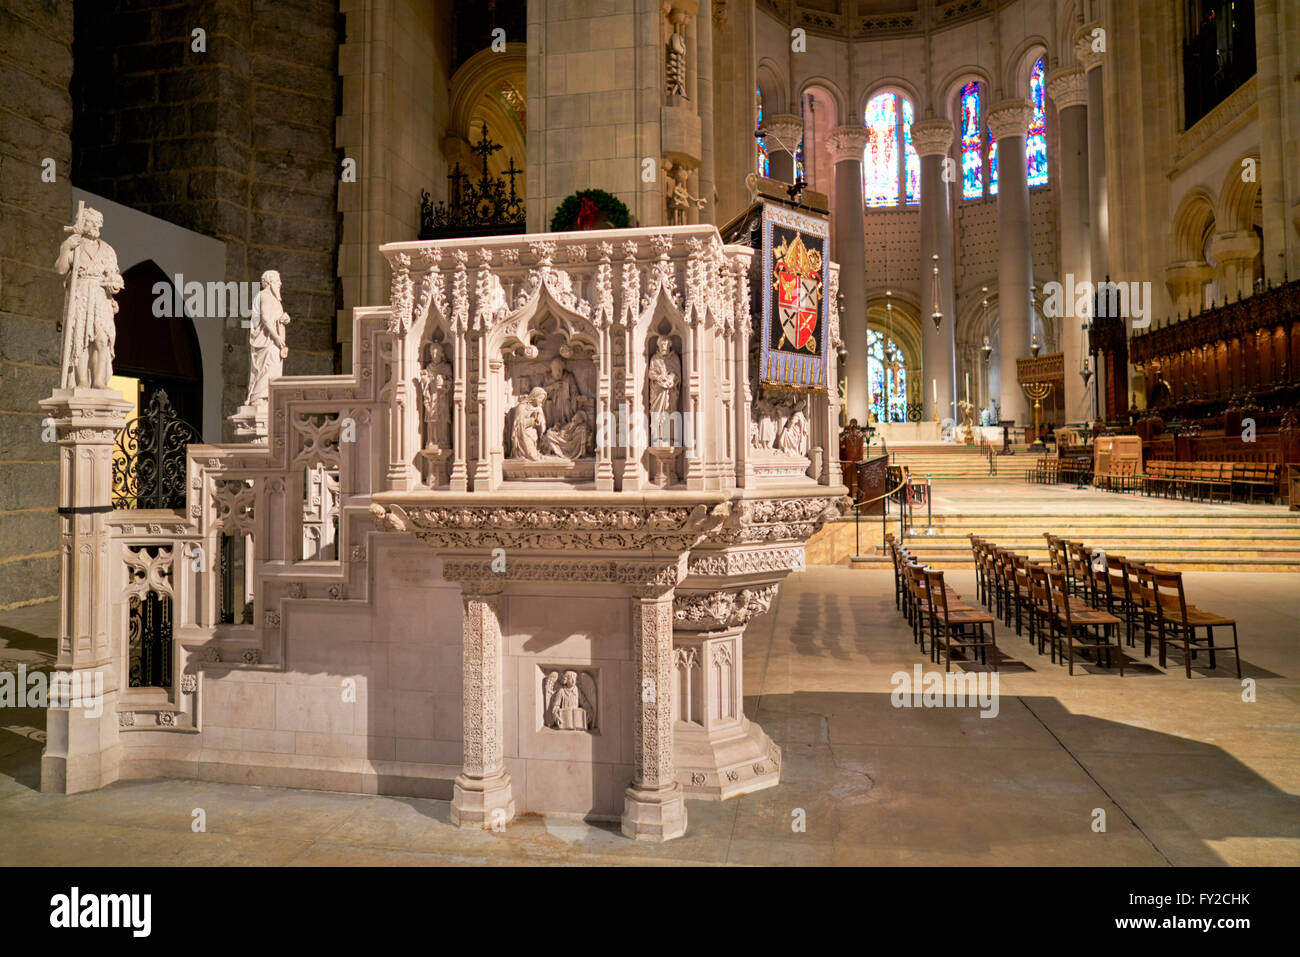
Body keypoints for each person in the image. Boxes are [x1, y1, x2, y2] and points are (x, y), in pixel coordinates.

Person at [245, 270, 290, 406]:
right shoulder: (264, 295)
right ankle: (258, 397)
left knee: (273, 366)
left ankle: (268, 396)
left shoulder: (275, 299)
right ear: (270, 282)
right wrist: (276, 337)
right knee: (267, 365)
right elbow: (265, 318)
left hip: (274, 341)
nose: (280, 283)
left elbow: (276, 317)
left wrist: (285, 318)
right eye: (277, 281)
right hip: (266, 340)